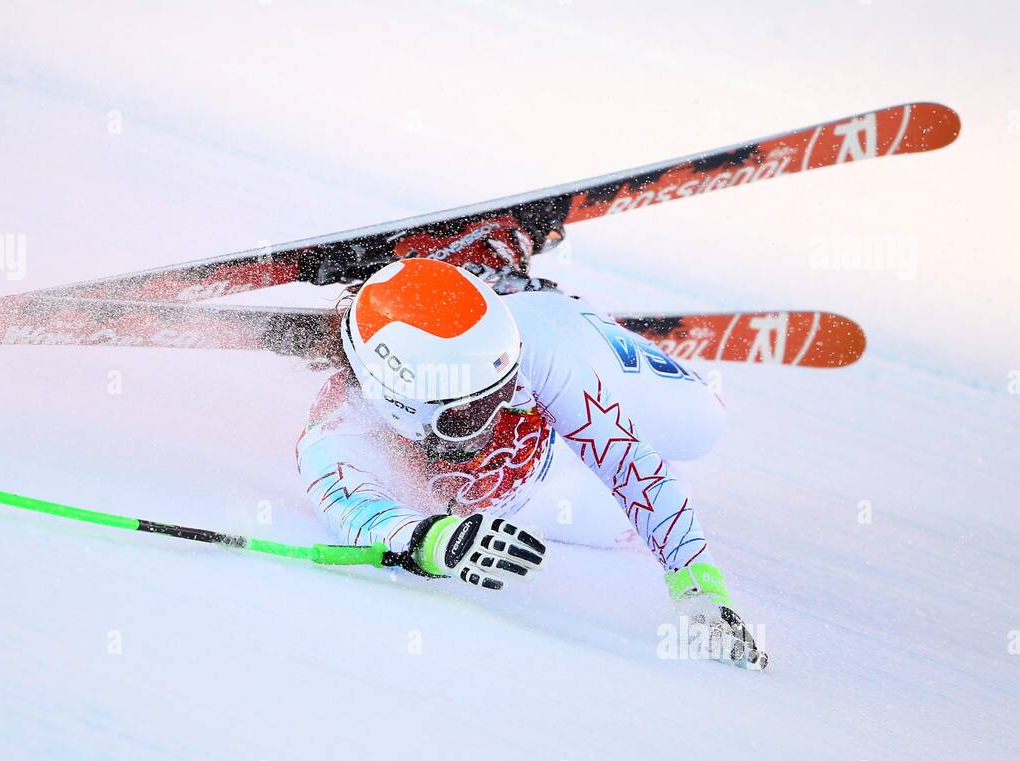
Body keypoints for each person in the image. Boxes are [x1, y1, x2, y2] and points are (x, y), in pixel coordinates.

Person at [295, 223, 766, 670]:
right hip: (536, 496)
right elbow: (354, 510)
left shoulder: (530, 348)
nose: (502, 411)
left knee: (705, 424)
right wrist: (438, 541)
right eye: (473, 411)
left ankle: (501, 279)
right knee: (632, 532)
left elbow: (627, 463)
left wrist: (700, 587)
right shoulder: (339, 431)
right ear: (403, 405)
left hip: (557, 334)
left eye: (505, 389)